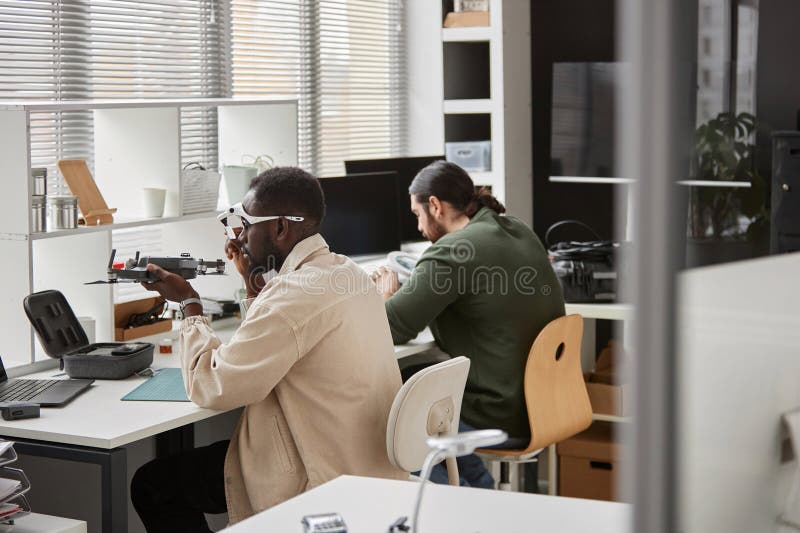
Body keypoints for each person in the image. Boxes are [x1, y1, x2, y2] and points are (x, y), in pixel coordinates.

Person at [131, 167, 406, 532]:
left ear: (279, 228)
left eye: (246, 223)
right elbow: (271, 342)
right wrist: (251, 283)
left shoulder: (293, 294)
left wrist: (190, 306)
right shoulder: (347, 272)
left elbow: (212, 386)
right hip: (366, 465)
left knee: (153, 485)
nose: (239, 235)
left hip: (318, 478)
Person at [373, 160, 565, 490]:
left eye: (418, 215)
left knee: (394, 400)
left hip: (500, 409)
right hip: (545, 399)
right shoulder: (515, 228)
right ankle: (477, 488)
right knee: (421, 381)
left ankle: (460, 499)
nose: (419, 227)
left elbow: (392, 329)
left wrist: (385, 297)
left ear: (434, 205)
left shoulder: (451, 253)